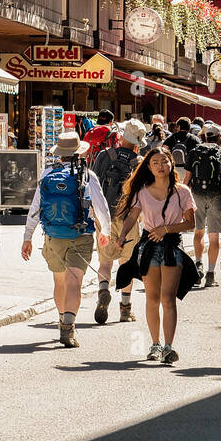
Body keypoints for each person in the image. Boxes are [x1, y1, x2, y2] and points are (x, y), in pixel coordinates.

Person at [22, 131, 111, 348]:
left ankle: (62, 318)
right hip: (80, 235)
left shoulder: (47, 173)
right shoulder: (88, 175)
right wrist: (105, 232)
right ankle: (68, 328)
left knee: (59, 282)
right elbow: (101, 208)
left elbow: (36, 207)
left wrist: (28, 237)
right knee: (74, 283)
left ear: (59, 154)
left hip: (53, 235)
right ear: (79, 153)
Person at [116, 148, 195, 364]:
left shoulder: (183, 191)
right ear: (149, 167)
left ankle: (169, 347)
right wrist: (122, 236)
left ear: (171, 164)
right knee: (152, 298)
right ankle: (155, 344)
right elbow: (133, 216)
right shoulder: (142, 192)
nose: (160, 166)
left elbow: (190, 223)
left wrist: (166, 229)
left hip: (172, 248)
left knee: (168, 298)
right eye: (155, 163)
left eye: (164, 161)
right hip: (148, 248)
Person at [91, 119, 146, 324]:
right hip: (130, 219)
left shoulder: (105, 155)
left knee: (105, 262)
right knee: (126, 265)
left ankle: (103, 291)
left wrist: (93, 214)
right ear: (138, 142)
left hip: (105, 217)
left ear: (121, 137)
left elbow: (93, 185)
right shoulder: (141, 162)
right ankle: (125, 309)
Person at [184, 123, 221, 286]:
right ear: (220, 137)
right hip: (216, 195)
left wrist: (182, 201)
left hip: (197, 195)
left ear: (205, 136)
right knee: (214, 237)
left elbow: (187, 179)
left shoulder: (194, 152)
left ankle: (198, 263)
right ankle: (210, 273)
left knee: (198, 232)